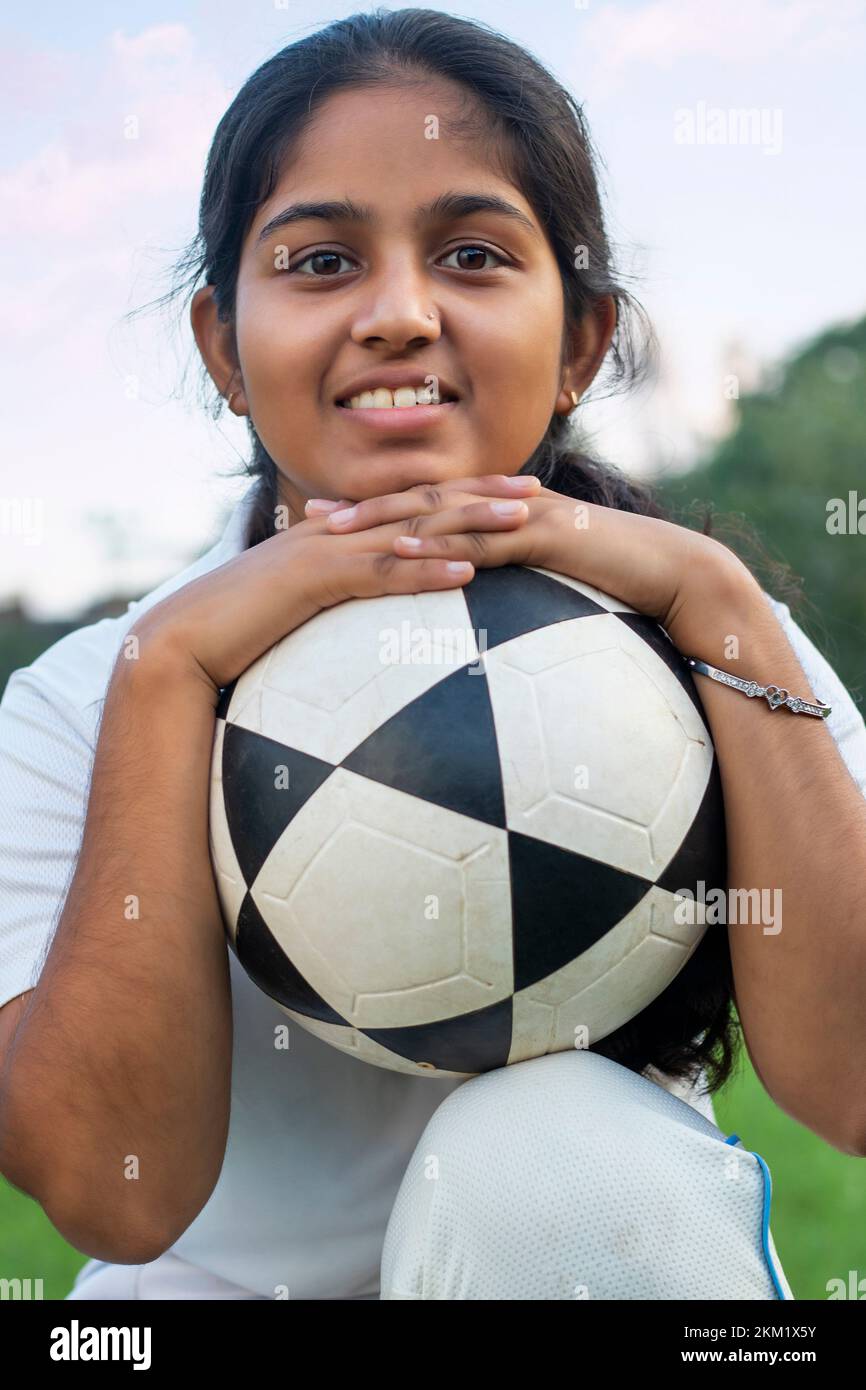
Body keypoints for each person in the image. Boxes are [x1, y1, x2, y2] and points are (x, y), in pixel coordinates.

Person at [1, 9, 864, 1302]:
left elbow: (850, 1086)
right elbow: (114, 1189)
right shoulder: (85, 694)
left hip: (590, 1254)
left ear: (579, 339)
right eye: (318, 261)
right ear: (223, 346)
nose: (398, 314)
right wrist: (167, 675)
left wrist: (719, 597)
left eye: (470, 252)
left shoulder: (713, 636)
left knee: (554, 1153)